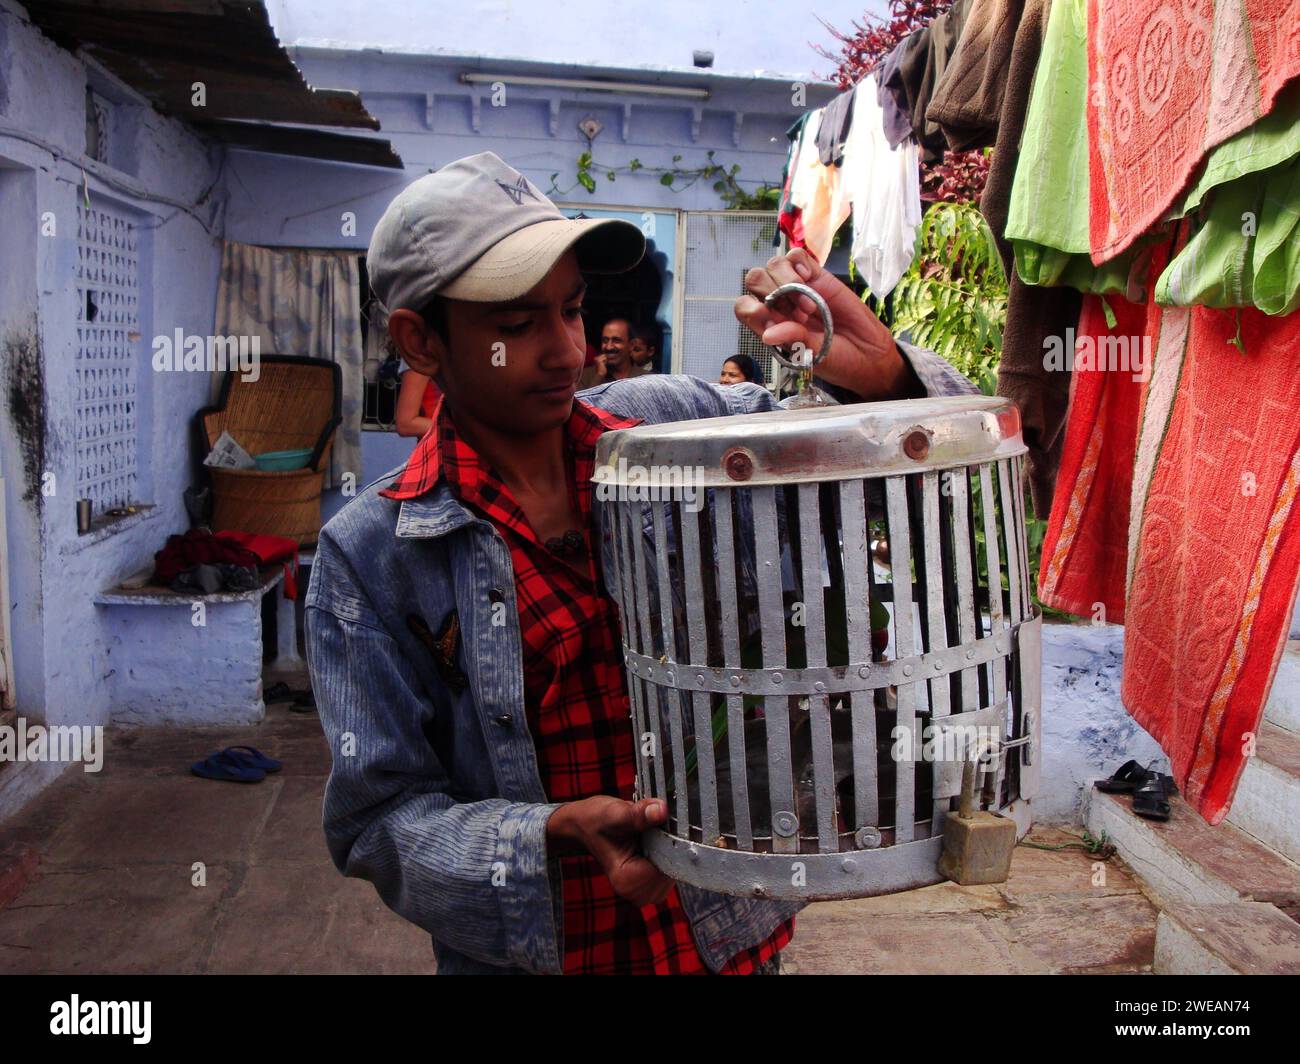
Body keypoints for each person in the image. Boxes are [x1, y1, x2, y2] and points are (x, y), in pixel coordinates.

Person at [306, 151, 977, 976]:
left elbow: (871, 451)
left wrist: (879, 378)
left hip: (725, 942)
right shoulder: (371, 555)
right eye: (516, 326)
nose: (565, 351)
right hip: (546, 956)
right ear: (422, 340)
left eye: (573, 310)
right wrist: (545, 832)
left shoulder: (670, 431)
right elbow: (379, 821)